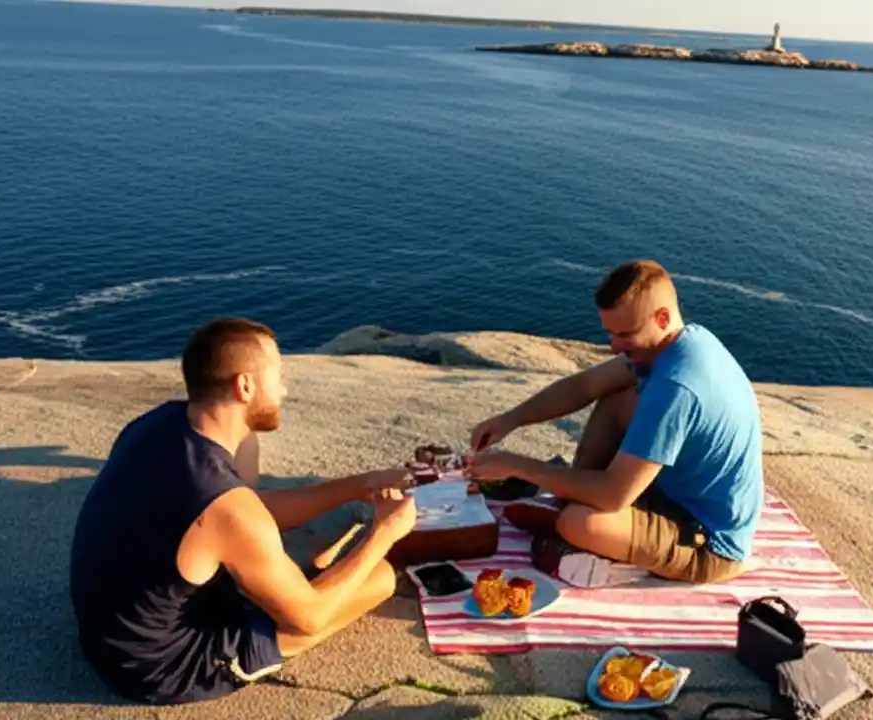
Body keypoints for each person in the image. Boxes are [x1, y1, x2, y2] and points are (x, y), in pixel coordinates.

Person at [70, 318, 416, 705]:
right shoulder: (224, 508)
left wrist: (360, 484)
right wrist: (385, 532)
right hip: (157, 665)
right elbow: (310, 616)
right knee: (379, 578)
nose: (284, 388)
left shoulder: (159, 424)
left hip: (107, 629)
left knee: (250, 451)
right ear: (245, 385)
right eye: (278, 375)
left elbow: (249, 512)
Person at [467, 260, 763, 585]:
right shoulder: (683, 343)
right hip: (675, 494)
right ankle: (573, 494)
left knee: (580, 524)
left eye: (625, 335)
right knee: (618, 394)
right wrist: (510, 420)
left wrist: (516, 465)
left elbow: (612, 496)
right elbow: (583, 387)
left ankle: (589, 535)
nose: (615, 346)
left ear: (662, 318)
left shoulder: (677, 388)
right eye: (610, 333)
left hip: (708, 542)